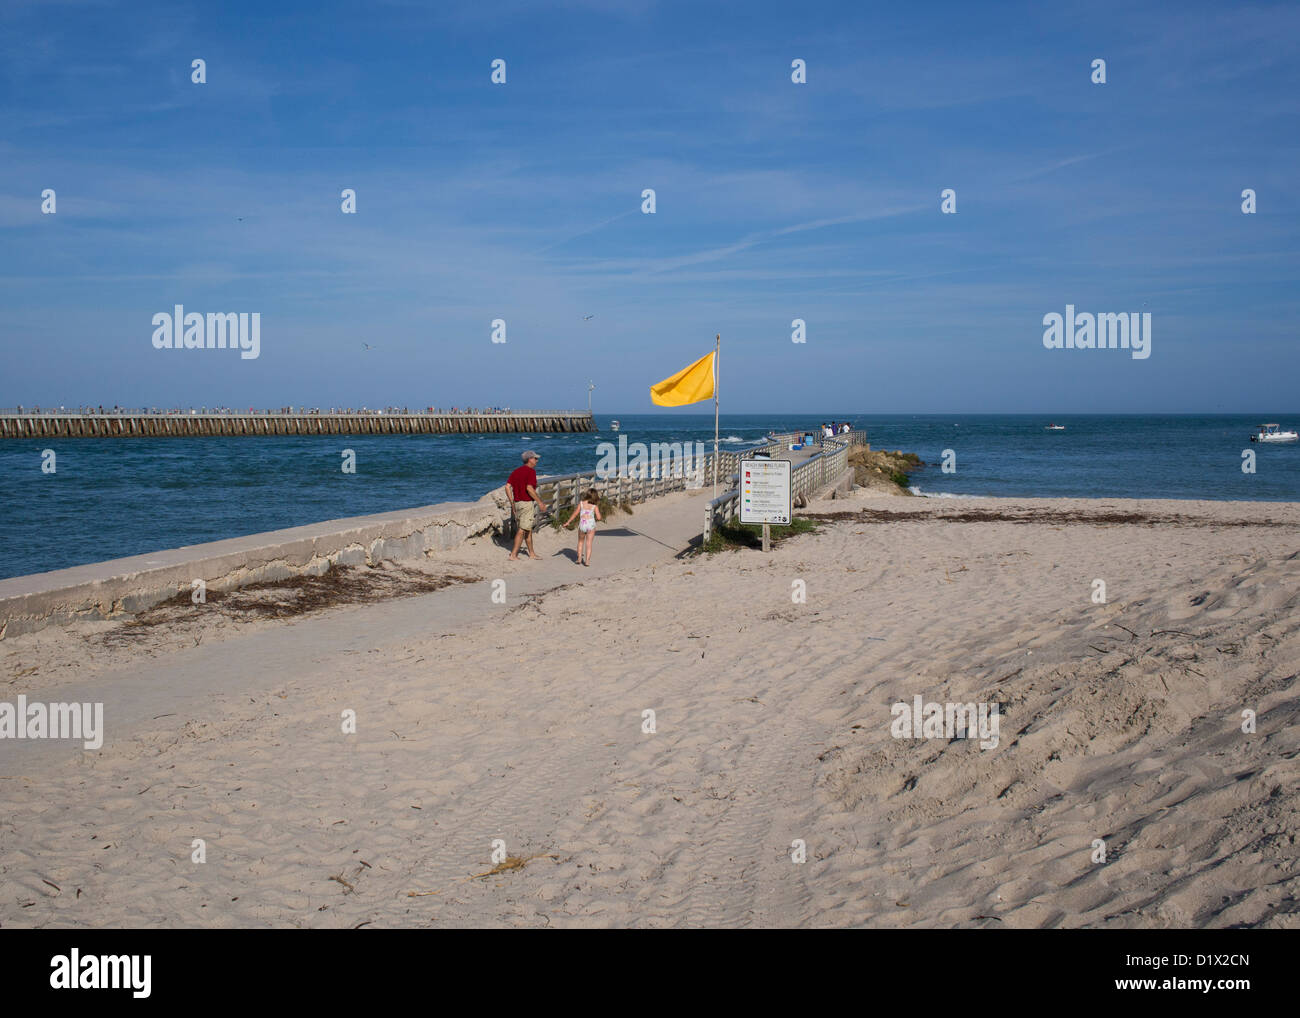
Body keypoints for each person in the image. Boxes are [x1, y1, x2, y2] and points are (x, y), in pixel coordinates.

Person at [506, 450, 547, 560]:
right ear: (530, 459)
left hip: (518, 503)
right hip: (526, 503)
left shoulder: (516, 471)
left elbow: (507, 487)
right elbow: (529, 488)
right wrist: (540, 502)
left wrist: (512, 503)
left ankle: (532, 553)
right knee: (522, 529)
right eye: (535, 458)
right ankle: (513, 554)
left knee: (527, 529)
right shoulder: (531, 472)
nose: (537, 460)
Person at [564, 488, 602, 567]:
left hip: (582, 524)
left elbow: (575, 514)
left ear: (587, 495)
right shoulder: (594, 506)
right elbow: (598, 518)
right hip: (591, 525)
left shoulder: (581, 503)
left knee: (580, 542)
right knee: (589, 544)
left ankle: (579, 559)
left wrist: (568, 522)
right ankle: (587, 561)